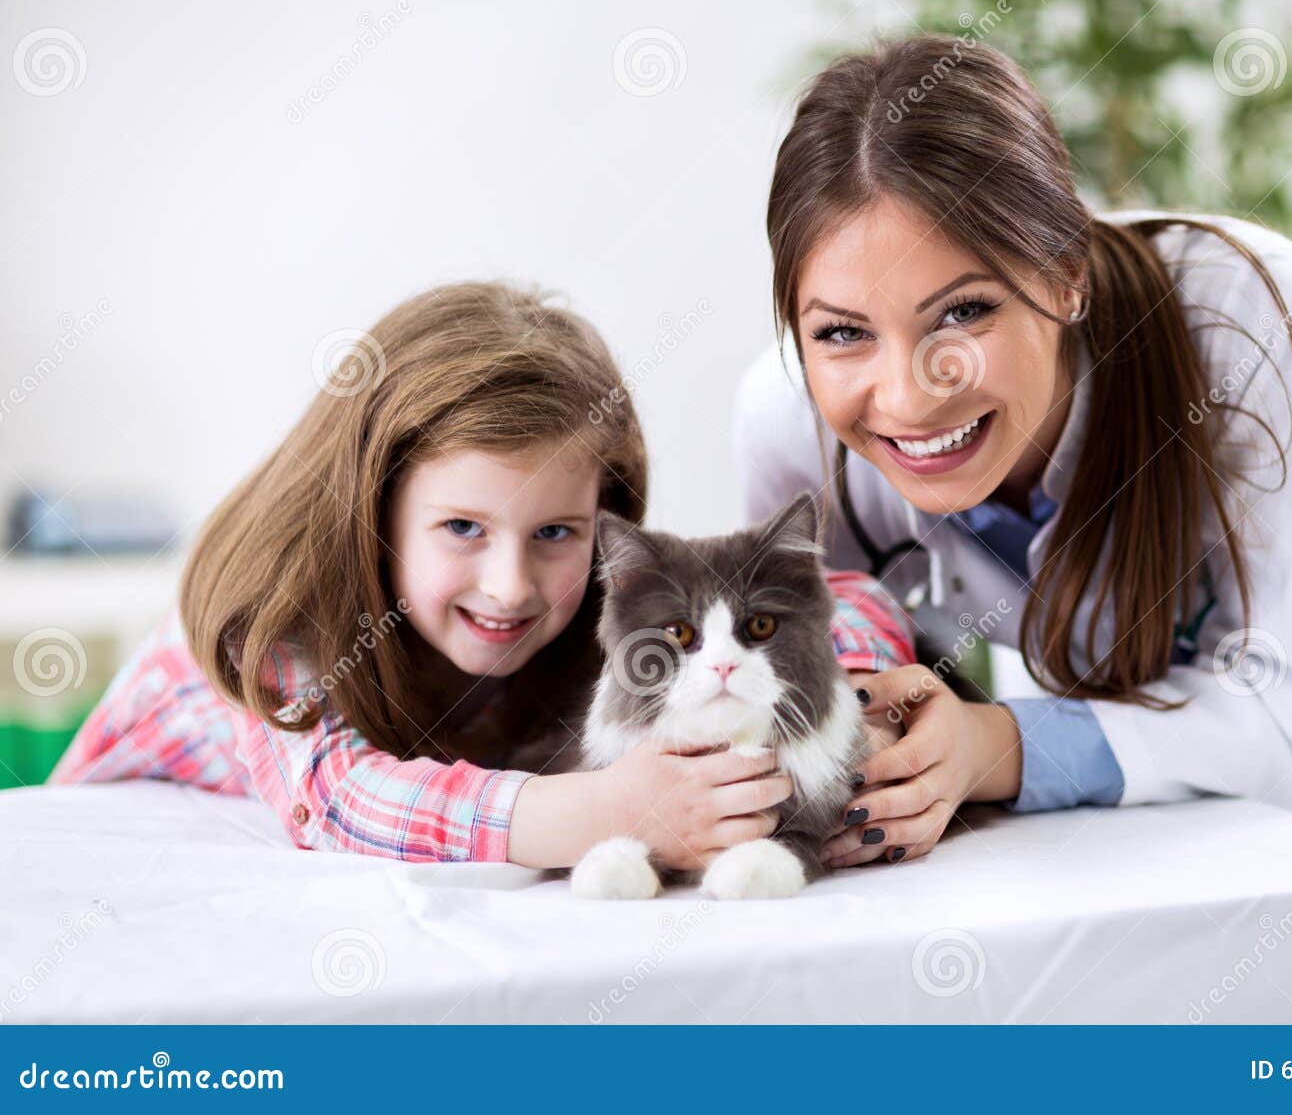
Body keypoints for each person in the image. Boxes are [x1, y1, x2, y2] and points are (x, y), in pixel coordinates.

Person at [740, 36, 1292, 886]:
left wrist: (1005, 744)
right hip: (1135, 702)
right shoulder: (789, 426)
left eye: (963, 311)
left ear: (1067, 272)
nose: (911, 398)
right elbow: (826, 674)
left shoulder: (1240, 312)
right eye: (842, 331)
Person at [51, 281, 913, 869]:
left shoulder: (600, 611)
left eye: (555, 532)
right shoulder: (278, 628)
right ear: (372, 512)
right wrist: (614, 811)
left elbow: (851, 601)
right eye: (462, 527)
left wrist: (852, 709)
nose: (510, 585)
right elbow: (340, 799)